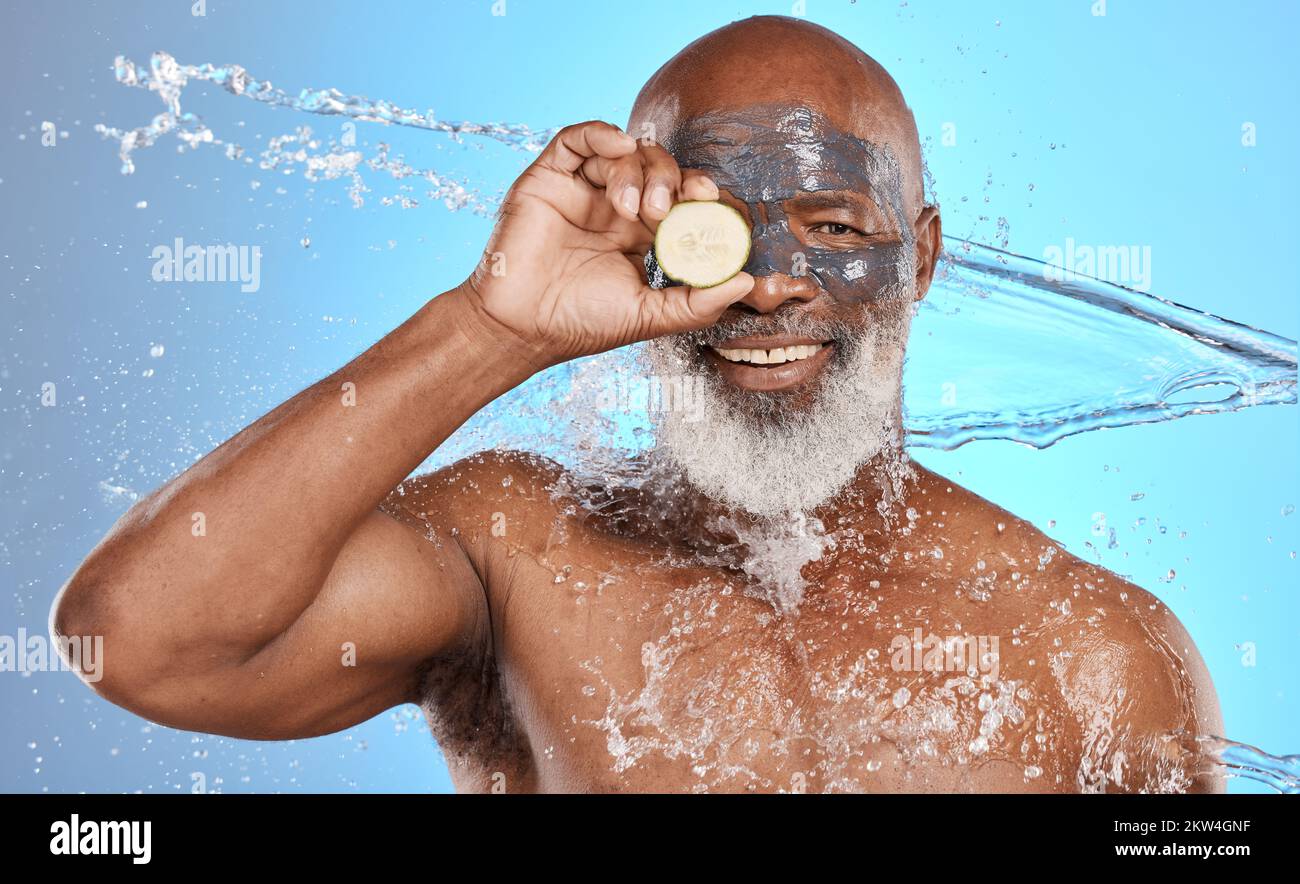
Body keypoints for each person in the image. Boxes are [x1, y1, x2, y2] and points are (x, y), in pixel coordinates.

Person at [52, 15, 1221, 793]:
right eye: (711, 232)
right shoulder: (514, 553)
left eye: (835, 230)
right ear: (649, 253)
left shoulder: (1093, 648)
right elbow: (141, 639)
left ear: (917, 259)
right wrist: (492, 327)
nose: (769, 287)